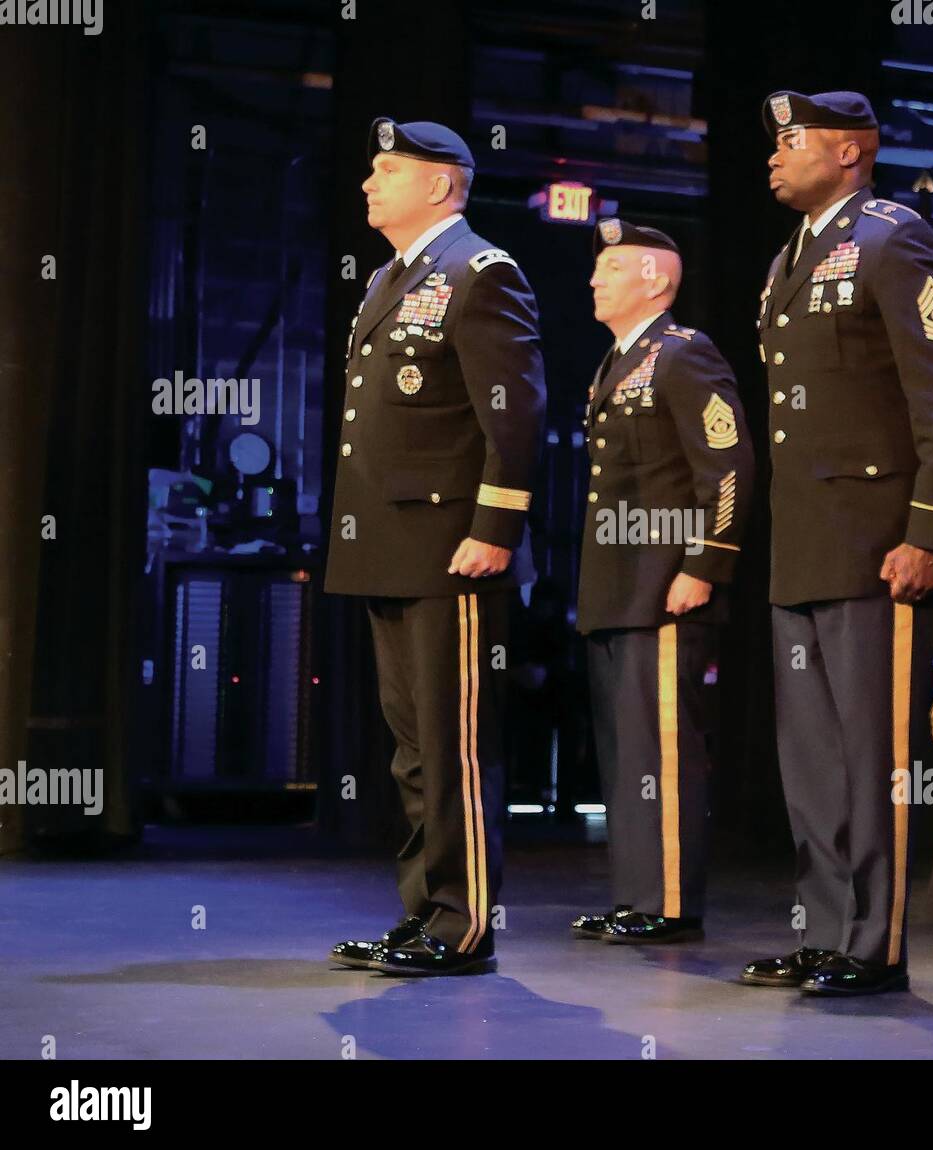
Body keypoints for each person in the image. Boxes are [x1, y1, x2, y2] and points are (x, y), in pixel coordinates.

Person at [741, 90, 933, 996]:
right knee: (811, 760)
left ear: (848, 153)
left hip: (878, 544)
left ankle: (874, 943)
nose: (773, 154)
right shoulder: (785, 259)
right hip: (803, 543)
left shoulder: (893, 237)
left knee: (872, 756)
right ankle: (825, 927)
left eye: (791, 140)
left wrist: (930, 528)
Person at [325, 117, 546, 976]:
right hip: (390, 543)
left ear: (441, 185)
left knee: (453, 748)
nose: (369, 182)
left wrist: (495, 528)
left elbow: (514, 412)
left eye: (387, 169)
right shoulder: (392, 276)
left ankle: (463, 925)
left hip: (452, 547)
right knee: (414, 748)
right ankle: (424, 913)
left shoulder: (479, 272)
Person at [571, 219, 754, 944]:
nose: (594, 278)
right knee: (626, 754)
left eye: (612, 267)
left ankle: (671, 903)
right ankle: (637, 894)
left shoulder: (683, 355)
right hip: (618, 588)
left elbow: (729, 466)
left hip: (665, 587)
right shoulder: (618, 361)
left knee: (665, 753)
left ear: (655, 278)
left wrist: (705, 565)